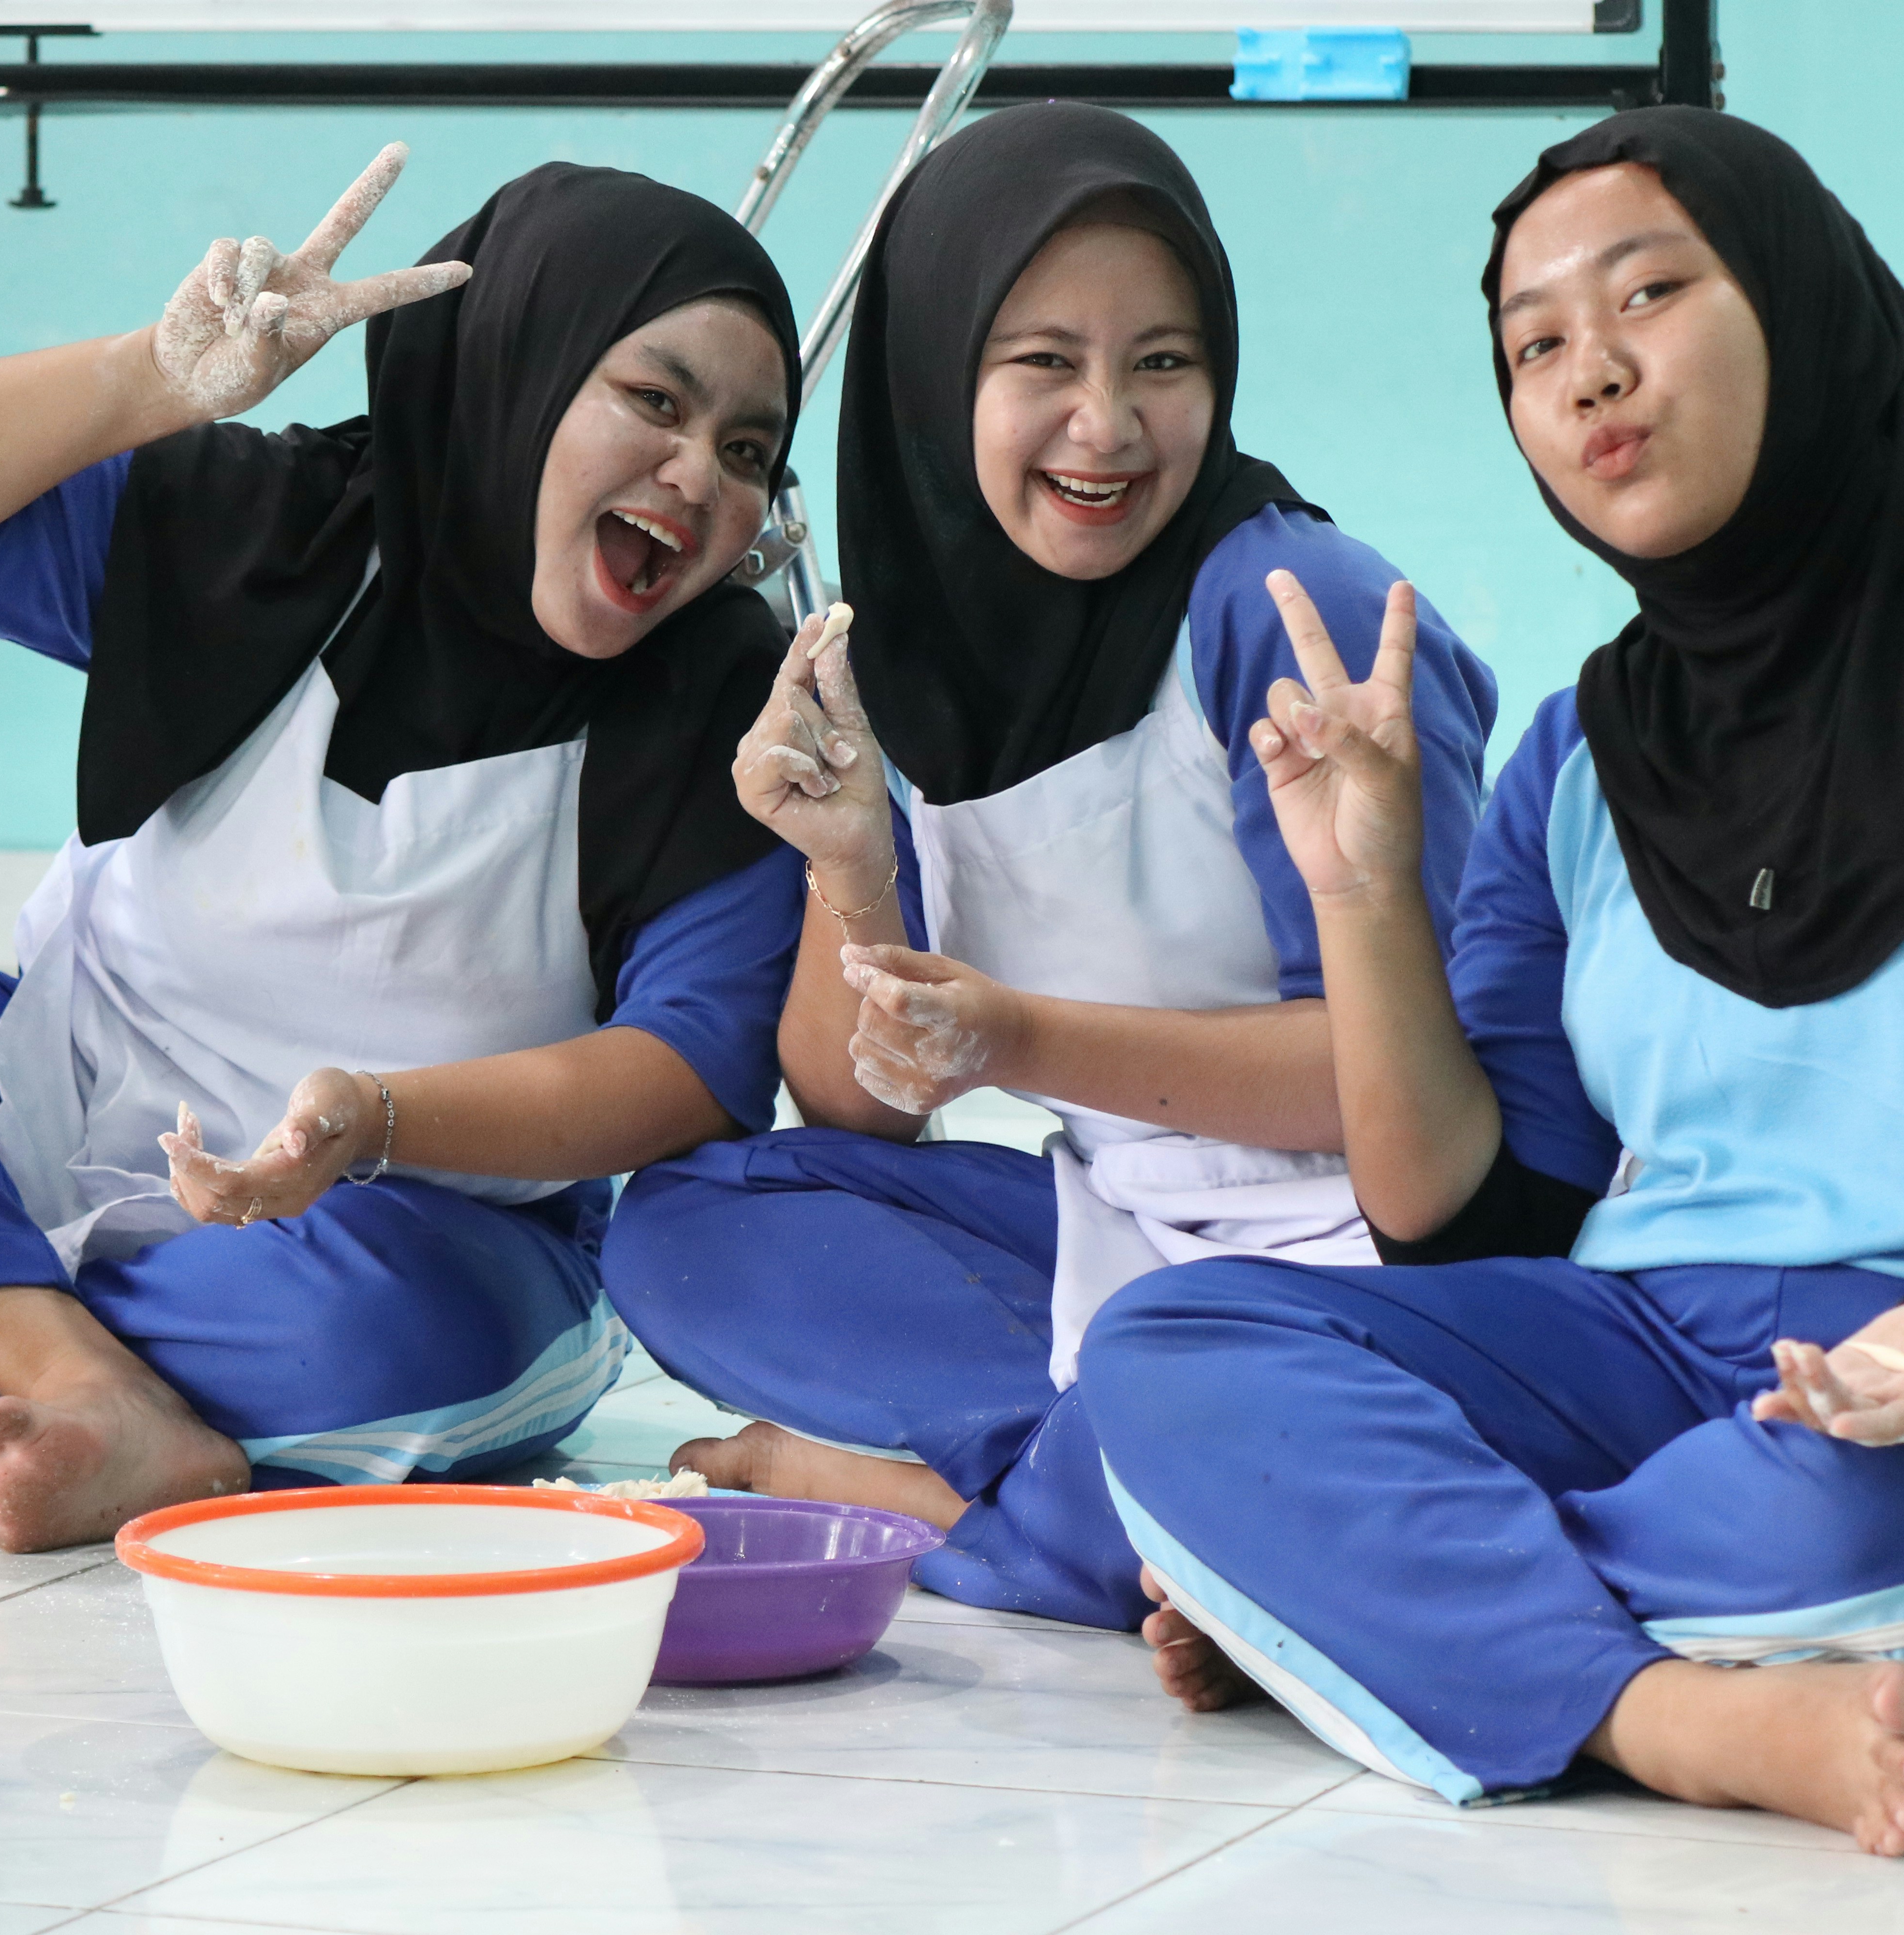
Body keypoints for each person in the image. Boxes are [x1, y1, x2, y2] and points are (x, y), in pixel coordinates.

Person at [1075, 106, 1904, 1856]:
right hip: (1655, 1345)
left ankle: (1384, 1611)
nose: (1590, 374)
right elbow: (1470, 1224)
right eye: (1535, 348)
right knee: (1172, 1352)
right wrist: (1365, 899)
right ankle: (1674, 1718)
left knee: (1825, 1529)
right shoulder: (1584, 752)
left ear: (1796, 295)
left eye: (1649, 295)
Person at [0, 148, 811, 1552]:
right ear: (516, 366)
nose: (699, 476)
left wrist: (371, 1121)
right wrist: (150, 378)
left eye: (748, 450)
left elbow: (691, 1069)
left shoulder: (722, 692)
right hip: (60, 1130)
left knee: (413, 1342)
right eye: (656, 402)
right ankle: (83, 1388)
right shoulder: (258, 531)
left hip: (398, 1231)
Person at [599, 103, 1498, 1630]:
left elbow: (1416, 1084)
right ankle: (1131, 1494)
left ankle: (945, 1507)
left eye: (1164, 361)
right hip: (1124, 1234)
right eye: (1043, 365)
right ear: (937, 374)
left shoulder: (1289, 615)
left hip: (1391, 1259)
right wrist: (855, 871)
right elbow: (852, 1106)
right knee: (685, 1226)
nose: (1110, 425)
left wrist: (1023, 1042)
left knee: (1207, 1423)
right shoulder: (911, 654)